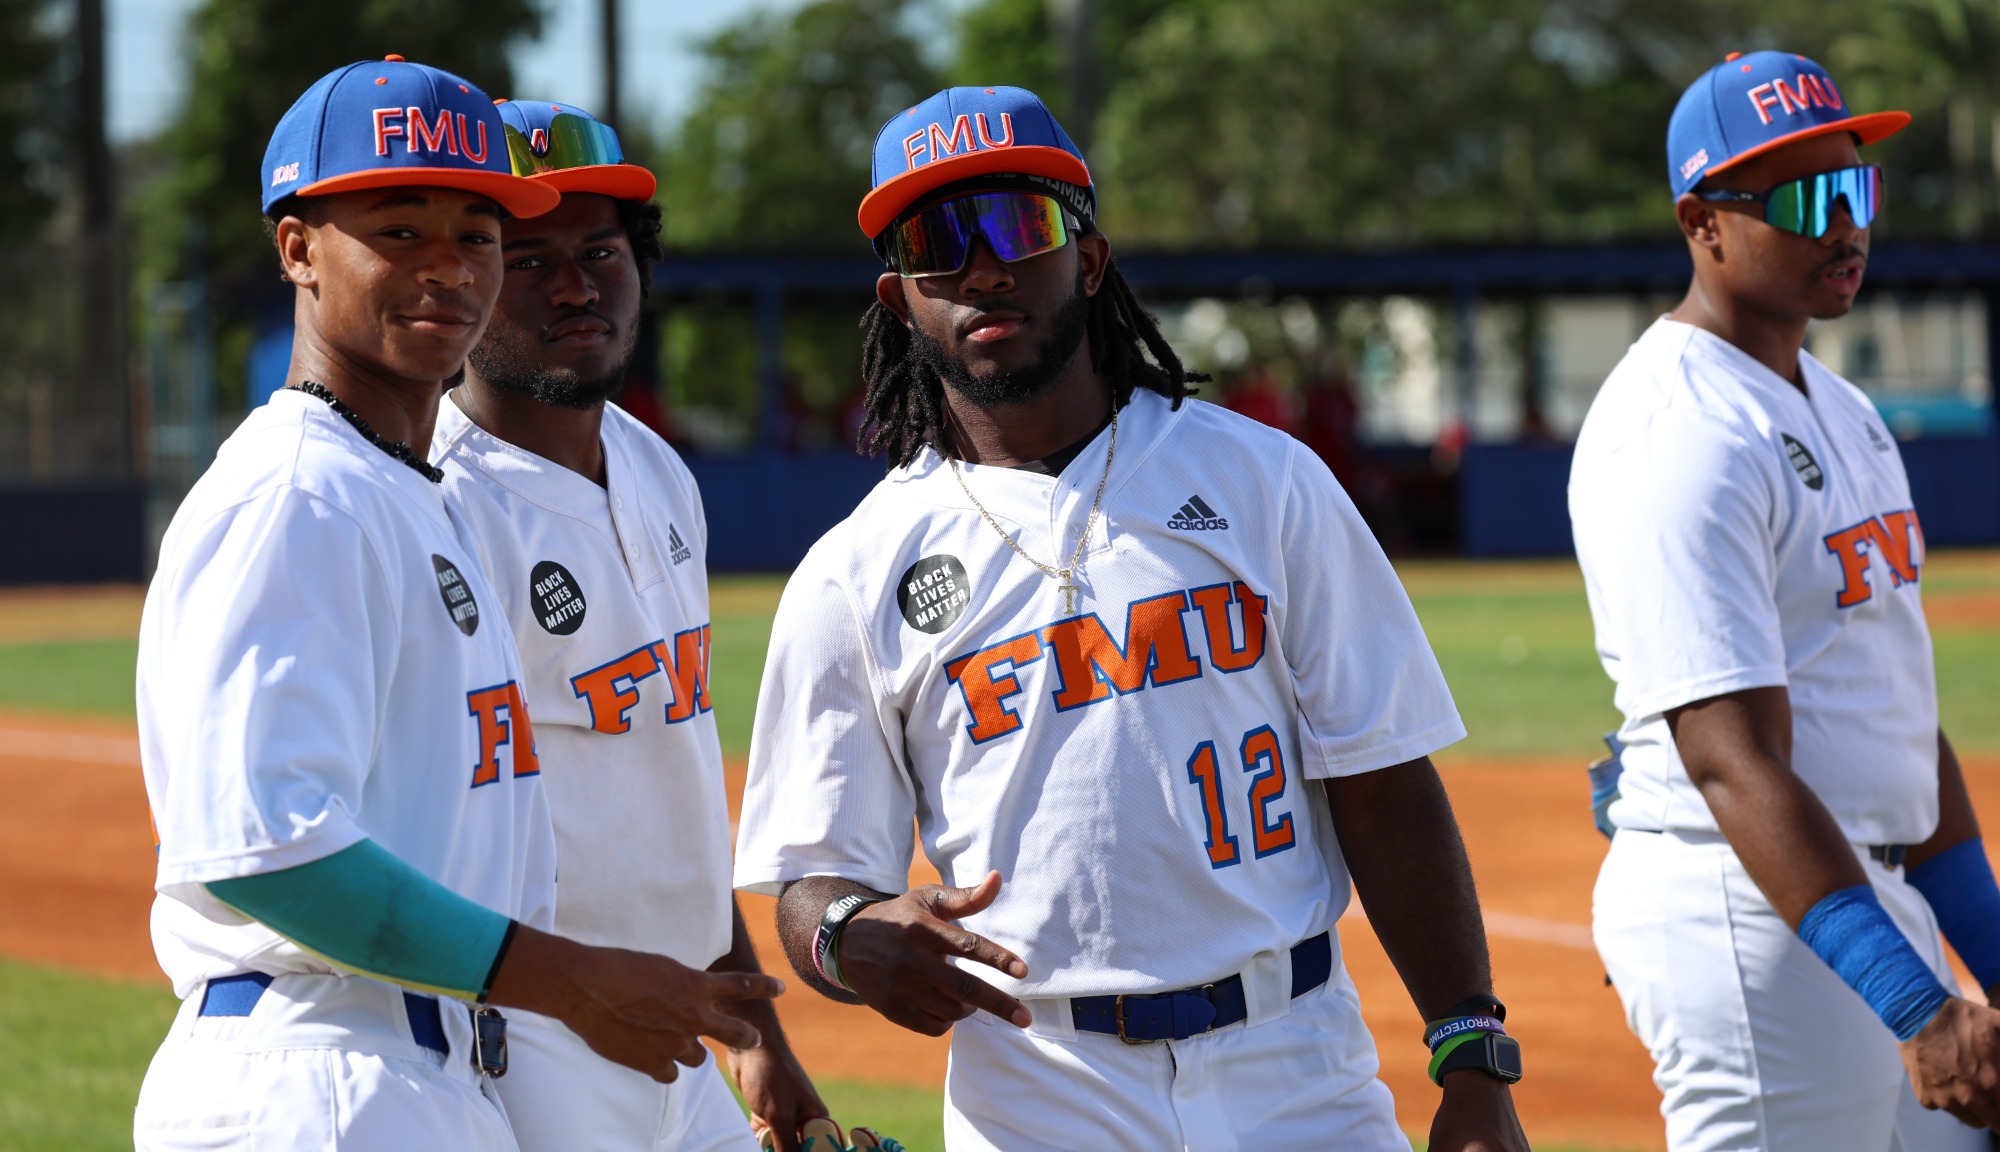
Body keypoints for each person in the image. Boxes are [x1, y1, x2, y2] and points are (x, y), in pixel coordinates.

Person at [732, 86, 1529, 1150]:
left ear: (1090, 259)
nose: (982, 268)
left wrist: (1470, 1051)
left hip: (1296, 1067)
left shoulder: (1261, 479)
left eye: (1017, 224)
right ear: (899, 298)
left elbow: (1382, 782)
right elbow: (811, 875)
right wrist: (845, 933)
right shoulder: (855, 570)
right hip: (1038, 1091)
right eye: (936, 242)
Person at [134, 59, 780, 1152]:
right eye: (399, 231)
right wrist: (570, 980)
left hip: (430, 1059)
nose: (447, 267)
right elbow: (270, 850)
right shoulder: (299, 494)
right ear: (297, 248)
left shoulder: (403, 488)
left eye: (475, 235)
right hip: (321, 1067)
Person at [1572, 49, 2000, 1150]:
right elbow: (1728, 756)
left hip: (1866, 895)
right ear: (1701, 223)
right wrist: (1915, 1005)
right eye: (1804, 200)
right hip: (1749, 913)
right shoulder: (1677, 431)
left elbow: (1896, 721)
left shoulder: (1840, 407)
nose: (1843, 225)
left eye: (1855, 188)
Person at [432, 98, 827, 1152]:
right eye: (529, 258)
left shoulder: (657, 470)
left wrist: (755, 1034)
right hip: (533, 1040)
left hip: (682, 1029)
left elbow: (672, 780)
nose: (575, 285)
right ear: (469, 276)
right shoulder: (438, 504)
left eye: (600, 251)